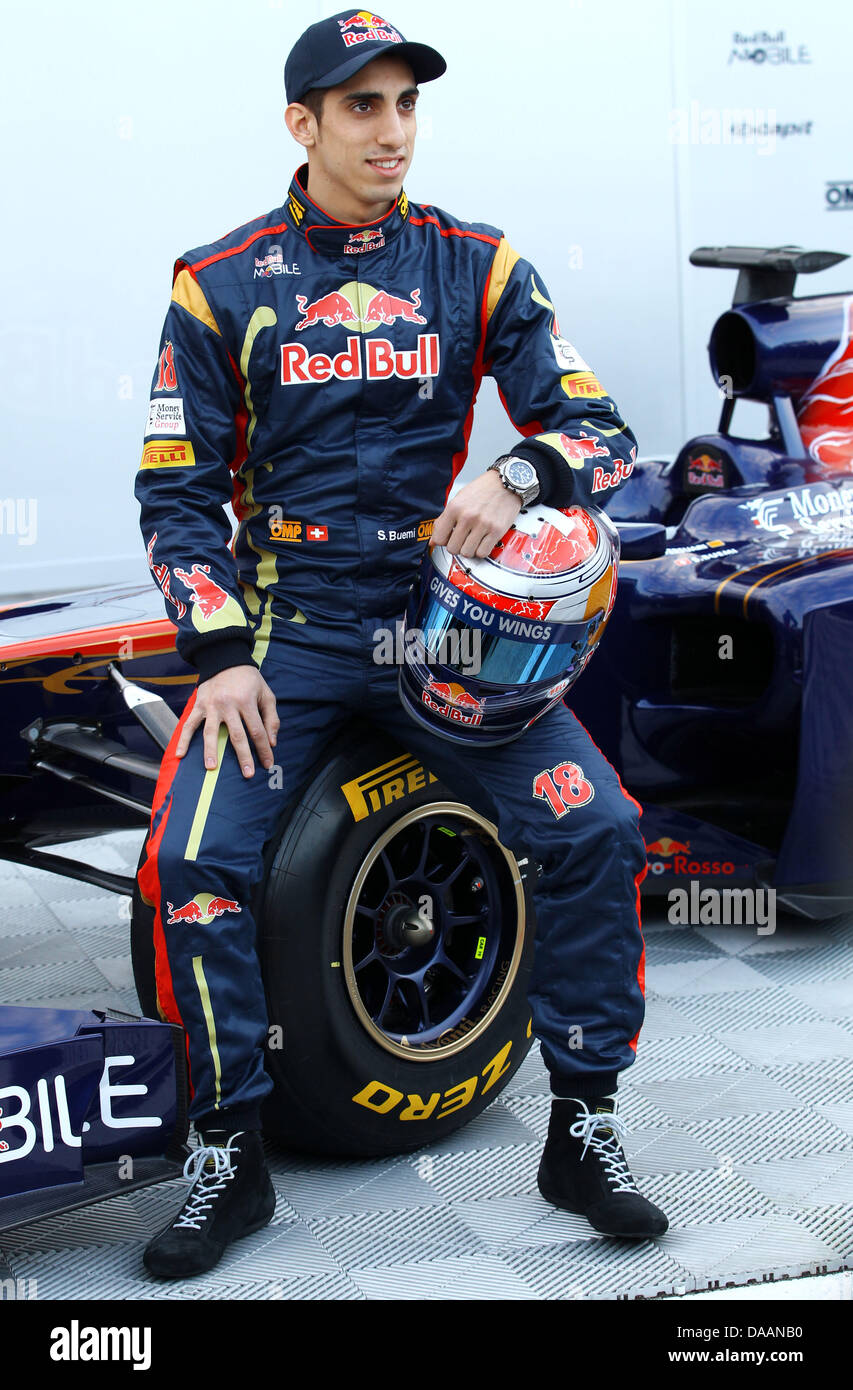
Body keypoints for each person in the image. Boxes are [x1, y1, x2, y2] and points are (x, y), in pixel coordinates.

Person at [134, 9, 668, 1280]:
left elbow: (600, 430)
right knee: (194, 863)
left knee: (593, 829)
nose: (391, 131)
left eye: (405, 106)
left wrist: (522, 470)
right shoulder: (217, 280)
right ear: (302, 124)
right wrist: (223, 657)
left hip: (450, 625)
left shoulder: (476, 265)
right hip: (298, 628)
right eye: (361, 106)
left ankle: (583, 1124)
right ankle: (228, 1151)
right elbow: (174, 493)